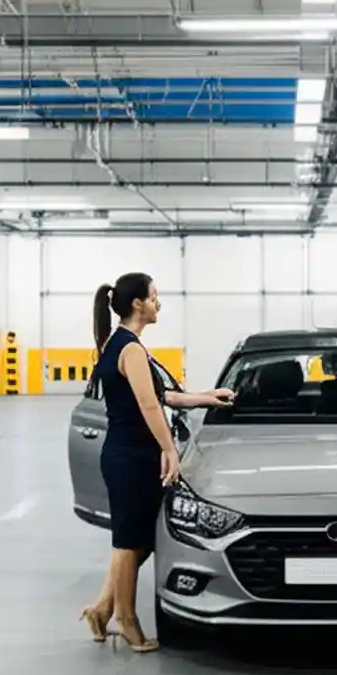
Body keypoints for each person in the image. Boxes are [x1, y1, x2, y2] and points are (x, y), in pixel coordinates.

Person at [78, 272, 234, 651]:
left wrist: (206, 397)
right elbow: (149, 406)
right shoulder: (130, 349)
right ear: (138, 304)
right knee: (130, 541)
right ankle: (126, 621)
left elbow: (164, 396)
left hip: (131, 453)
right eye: (154, 297)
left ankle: (101, 608)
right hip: (131, 456)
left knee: (138, 539)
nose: (157, 303)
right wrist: (169, 449)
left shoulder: (126, 345)